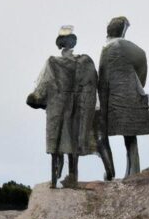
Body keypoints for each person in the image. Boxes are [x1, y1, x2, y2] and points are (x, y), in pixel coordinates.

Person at [27, 26, 99, 188]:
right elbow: (92, 85)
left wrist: (35, 99)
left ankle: (56, 178)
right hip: (77, 108)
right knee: (73, 143)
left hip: (57, 108)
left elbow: (42, 88)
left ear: (59, 44)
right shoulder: (85, 62)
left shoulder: (53, 63)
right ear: (73, 42)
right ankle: (71, 177)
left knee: (57, 143)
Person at [98, 16, 149, 178]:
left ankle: (117, 172)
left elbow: (103, 77)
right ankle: (132, 170)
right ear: (122, 30)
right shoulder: (132, 48)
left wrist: (102, 101)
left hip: (114, 98)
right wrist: (137, 86)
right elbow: (142, 66)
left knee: (114, 136)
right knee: (130, 136)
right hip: (131, 96)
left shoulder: (108, 47)